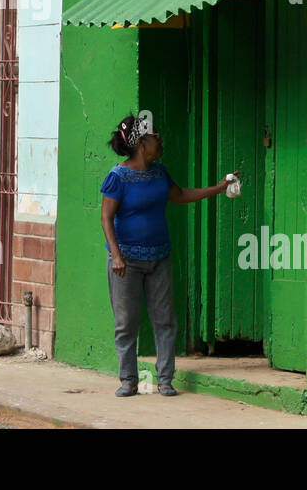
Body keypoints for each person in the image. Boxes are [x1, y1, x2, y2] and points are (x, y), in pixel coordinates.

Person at [100, 113, 239, 398]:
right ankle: (128, 380)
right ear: (141, 144)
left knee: (165, 320)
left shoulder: (160, 172)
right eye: (155, 136)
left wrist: (219, 188)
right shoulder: (117, 177)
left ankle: (165, 380)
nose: (160, 140)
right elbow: (106, 218)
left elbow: (181, 195)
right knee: (126, 323)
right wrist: (116, 255)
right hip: (126, 262)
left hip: (159, 257)